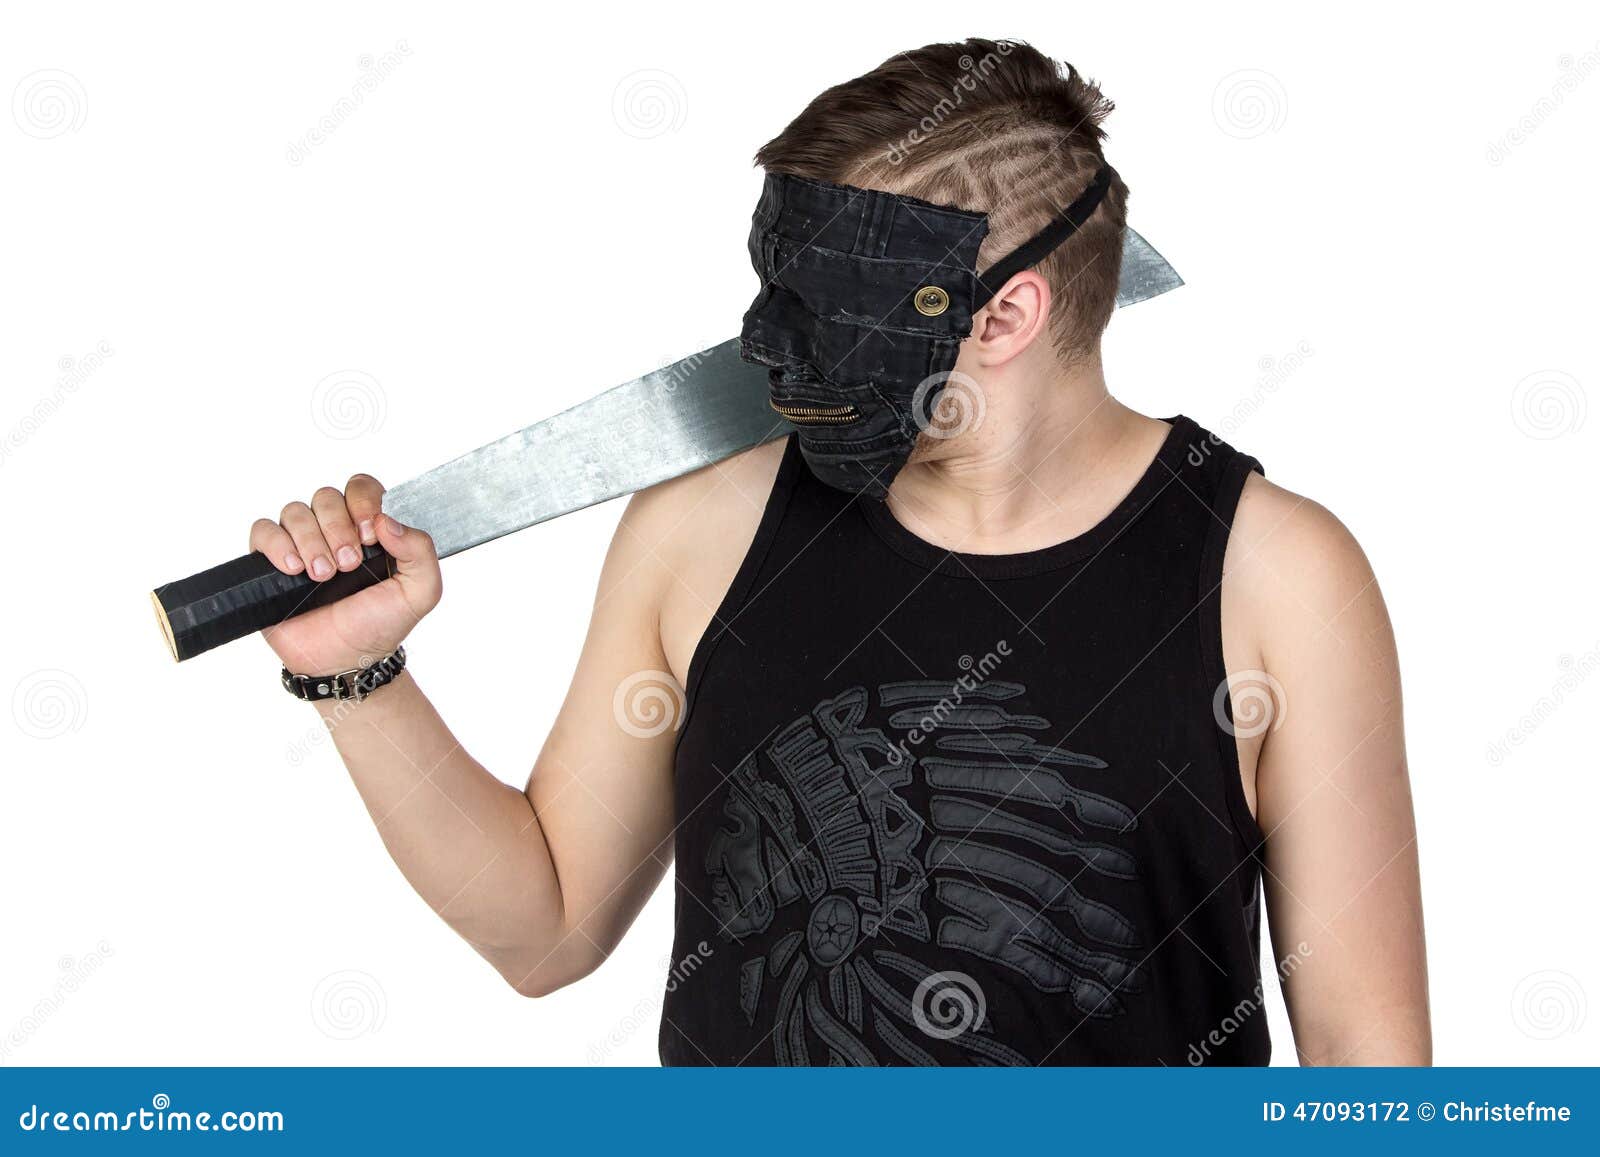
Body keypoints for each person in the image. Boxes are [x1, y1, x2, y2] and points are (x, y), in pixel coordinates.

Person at [247, 39, 1428, 1065]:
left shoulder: (1269, 574)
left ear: (1003, 315)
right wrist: (356, 677)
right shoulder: (700, 529)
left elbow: (1367, 1059)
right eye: (776, 285)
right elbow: (547, 928)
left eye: (828, 303)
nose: (770, 342)